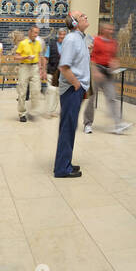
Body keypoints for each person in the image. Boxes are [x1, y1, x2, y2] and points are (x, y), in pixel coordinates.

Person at [53, 11, 90, 177]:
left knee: (69, 126)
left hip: (76, 88)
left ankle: (65, 162)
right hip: (71, 89)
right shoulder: (72, 39)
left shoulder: (80, 39)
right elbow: (64, 67)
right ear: (75, 23)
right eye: (82, 16)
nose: (86, 17)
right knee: (68, 127)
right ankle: (62, 169)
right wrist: (77, 84)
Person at [86, 20, 130, 134]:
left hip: (108, 72)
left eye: (112, 29)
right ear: (102, 30)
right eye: (108, 29)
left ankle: (118, 124)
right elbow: (91, 57)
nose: (111, 31)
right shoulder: (95, 40)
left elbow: (114, 57)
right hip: (96, 69)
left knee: (112, 97)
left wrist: (115, 63)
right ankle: (88, 124)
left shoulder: (113, 43)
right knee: (91, 98)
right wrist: (95, 71)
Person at [14, 25, 44, 123]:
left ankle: (33, 111)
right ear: (30, 32)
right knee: (22, 91)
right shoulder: (22, 43)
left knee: (36, 90)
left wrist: (40, 68)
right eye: (35, 32)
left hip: (35, 67)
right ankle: (22, 113)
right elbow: (16, 57)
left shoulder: (38, 43)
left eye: (37, 33)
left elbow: (39, 56)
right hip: (24, 67)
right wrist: (25, 57)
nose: (36, 35)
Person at [44, 27, 65, 117]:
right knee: (51, 90)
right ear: (57, 35)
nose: (62, 36)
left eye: (64, 35)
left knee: (58, 92)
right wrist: (44, 71)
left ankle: (53, 111)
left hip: (63, 73)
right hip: (51, 70)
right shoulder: (52, 44)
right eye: (60, 34)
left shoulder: (68, 45)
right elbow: (46, 58)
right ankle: (48, 111)